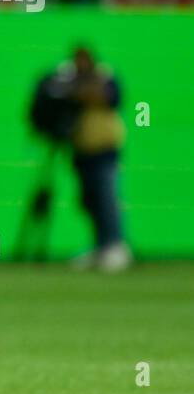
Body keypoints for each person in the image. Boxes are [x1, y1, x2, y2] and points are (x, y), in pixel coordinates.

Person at [33, 45, 130, 271]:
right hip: (81, 150)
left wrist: (81, 92)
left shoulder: (104, 76)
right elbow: (55, 97)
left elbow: (110, 97)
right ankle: (101, 246)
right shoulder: (69, 81)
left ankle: (116, 246)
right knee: (89, 200)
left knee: (107, 198)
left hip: (105, 149)